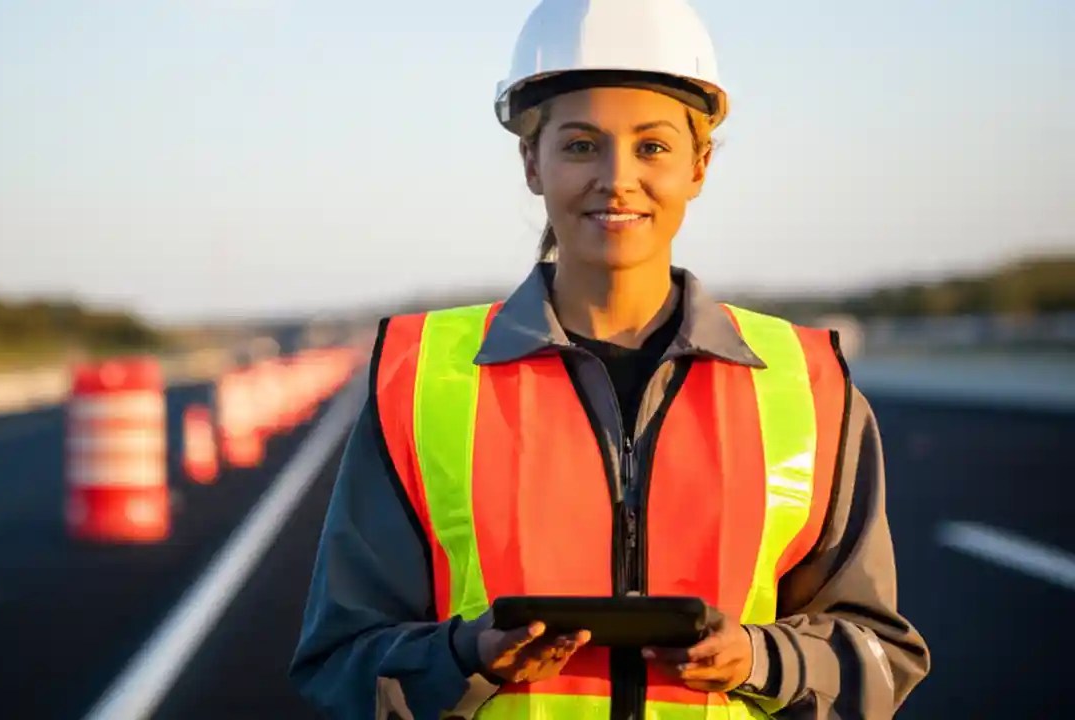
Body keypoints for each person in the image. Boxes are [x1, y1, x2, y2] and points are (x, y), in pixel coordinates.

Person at [289, 0, 931, 717]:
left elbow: (880, 652)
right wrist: (468, 655)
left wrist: (756, 656)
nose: (616, 178)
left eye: (652, 147)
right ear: (532, 162)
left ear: (701, 165)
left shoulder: (806, 385)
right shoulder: (419, 378)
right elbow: (340, 660)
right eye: (580, 145)